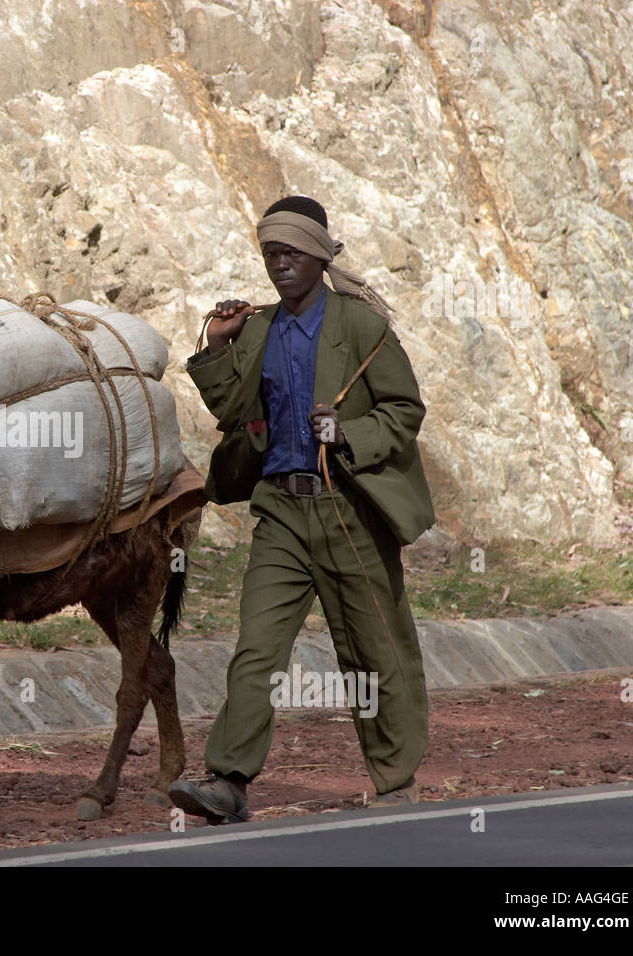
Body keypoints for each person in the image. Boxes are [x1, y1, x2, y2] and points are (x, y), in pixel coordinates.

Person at [169, 195, 435, 824]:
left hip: (350, 512)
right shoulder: (260, 328)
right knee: (257, 649)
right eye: (270, 255)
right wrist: (215, 344)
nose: (279, 265)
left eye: (290, 253)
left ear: (319, 256)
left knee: (374, 650)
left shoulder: (362, 327)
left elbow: (404, 412)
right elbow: (230, 413)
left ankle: (396, 782)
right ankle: (228, 782)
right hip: (282, 514)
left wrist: (348, 433)